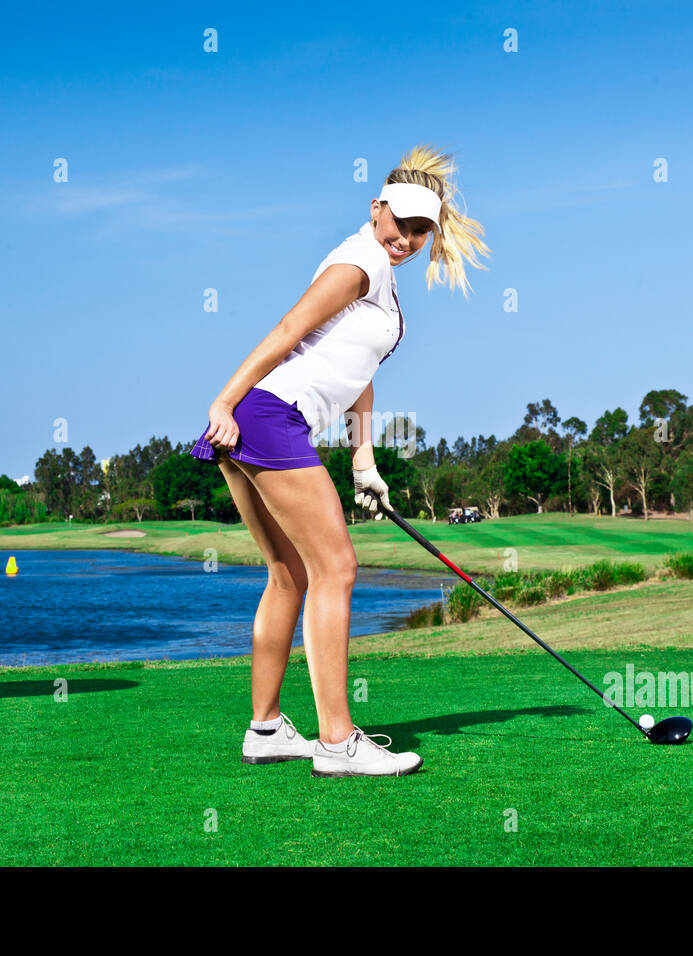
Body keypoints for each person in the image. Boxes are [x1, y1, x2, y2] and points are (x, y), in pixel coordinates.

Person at [189, 144, 488, 777]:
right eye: (399, 223)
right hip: (268, 416)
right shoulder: (360, 261)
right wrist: (224, 397)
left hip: (257, 421)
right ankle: (335, 741)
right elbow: (289, 327)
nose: (406, 238)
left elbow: (359, 377)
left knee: (289, 573)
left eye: (419, 230)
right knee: (338, 568)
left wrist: (364, 463)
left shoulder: (380, 279)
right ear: (376, 207)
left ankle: (267, 729)